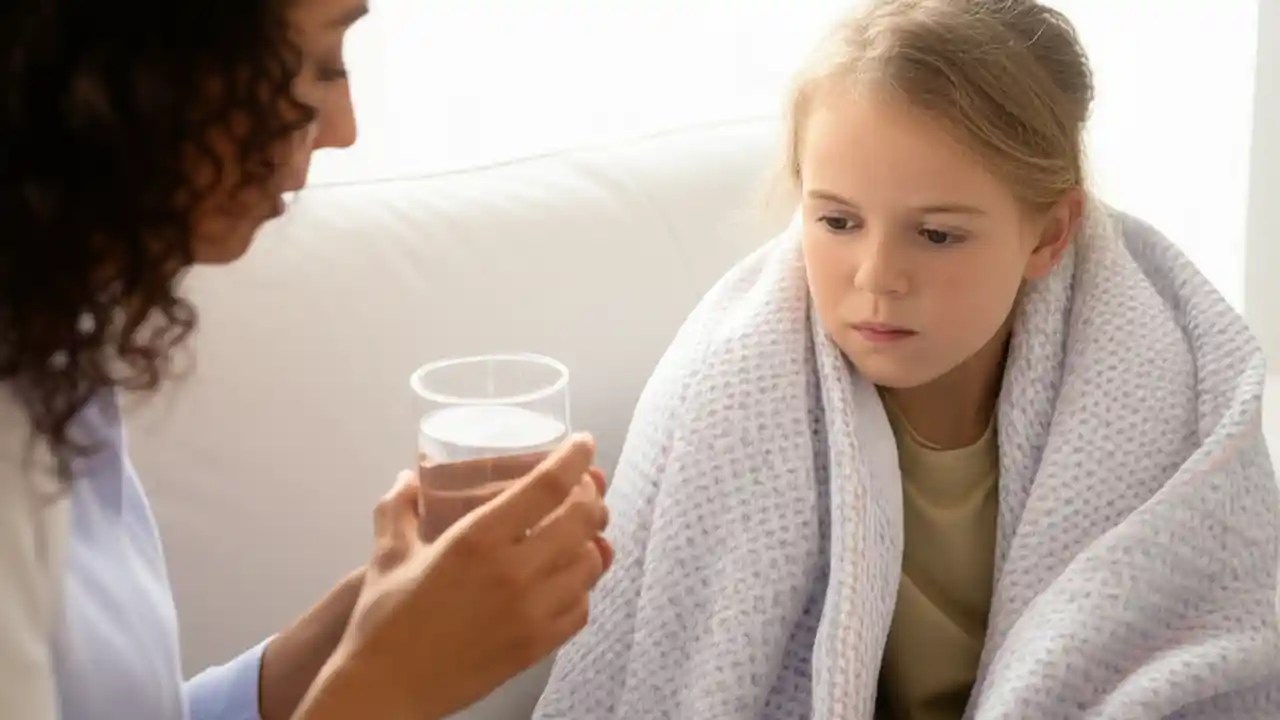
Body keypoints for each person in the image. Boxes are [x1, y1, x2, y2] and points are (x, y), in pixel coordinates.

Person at [535, 1, 1280, 718]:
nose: (876, 276)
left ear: (1050, 235)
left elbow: (1214, 651)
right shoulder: (728, 396)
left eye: (937, 235)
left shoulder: (1161, 397)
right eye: (838, 221)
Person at [0, 1, 612, 719]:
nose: (343, 128)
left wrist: (375, 624)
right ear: (136, 63)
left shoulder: (49, 347)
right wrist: (389, 685)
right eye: (319, 65)